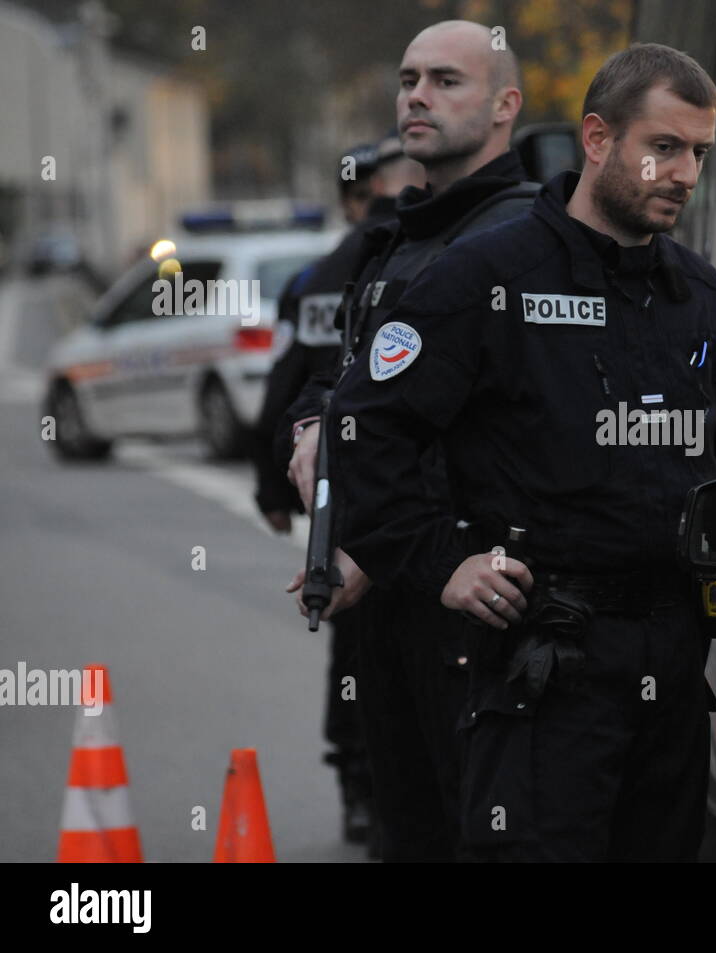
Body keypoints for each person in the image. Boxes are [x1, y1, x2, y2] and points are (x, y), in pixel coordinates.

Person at [323, 43, 716, 861]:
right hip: (541, 677)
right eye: (664, 146)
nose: (684, 173)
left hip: (673, 673)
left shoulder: (701, 297)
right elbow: (366, 431)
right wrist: (444, 564)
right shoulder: (487, 277)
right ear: (597, 138)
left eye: (698, 153)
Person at [282, 20, 539, 862]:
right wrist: (317, 419)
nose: (416, 96)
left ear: (506, 106)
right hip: (393, 608)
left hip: (486, 617)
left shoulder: (528, 241)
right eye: (407, 79)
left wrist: (434, 552)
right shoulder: (401, 239)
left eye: (445, 81)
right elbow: (360, 377)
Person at [250, 137, 424, 851]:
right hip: (408, 489)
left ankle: (360, 784)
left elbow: (284, 385)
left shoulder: (317, 276)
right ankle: (394, 797)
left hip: (333, 487)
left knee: (353, 643)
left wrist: (271, 482)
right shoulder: (415, 252)